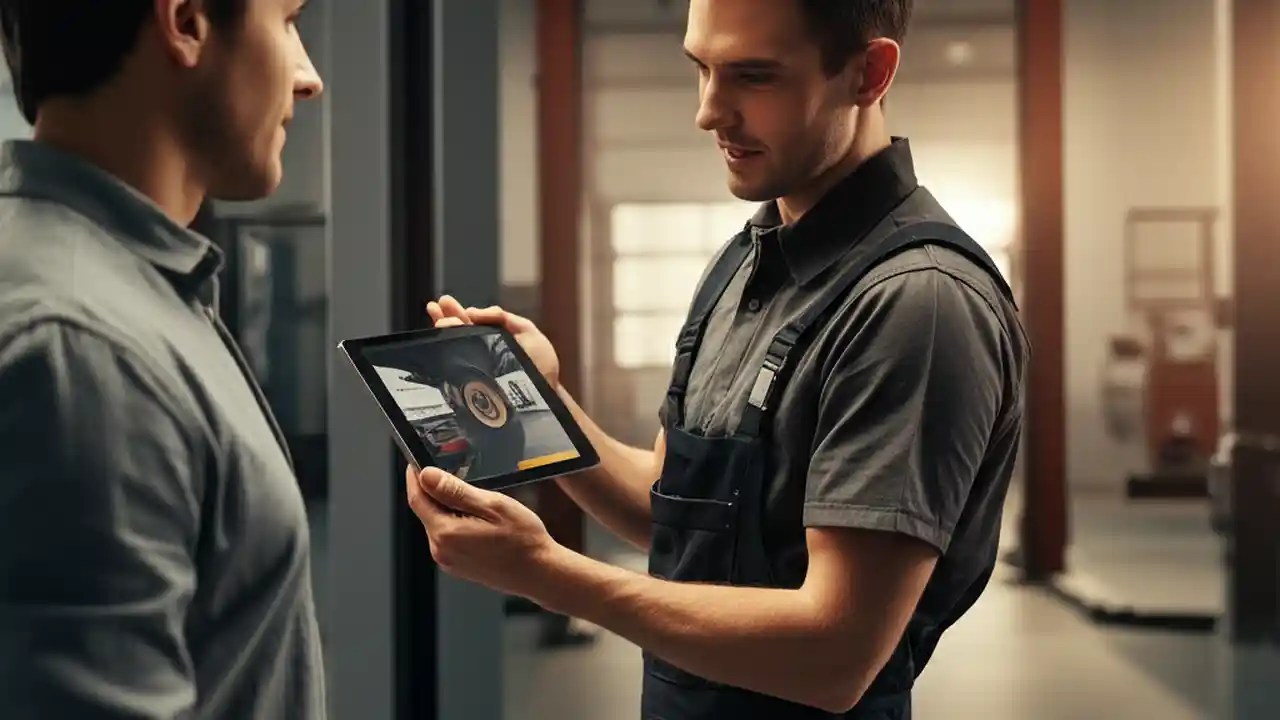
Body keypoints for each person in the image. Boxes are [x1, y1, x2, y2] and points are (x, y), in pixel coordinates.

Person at [409, 0, 1029, 717]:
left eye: (753, 76)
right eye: (701, 68)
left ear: (869, 74)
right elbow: (674, 511)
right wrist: (537, 407)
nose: (708, 112)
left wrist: (547, 574)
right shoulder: (744, 264)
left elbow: (836, 654)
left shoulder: (917, 303)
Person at [0, 1, 326, 717]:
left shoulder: (123, 288)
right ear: (185, 21)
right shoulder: (82, 353)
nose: (309, 78)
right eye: (285, 20)